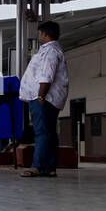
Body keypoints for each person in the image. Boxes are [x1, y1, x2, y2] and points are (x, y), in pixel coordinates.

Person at [18, 21, 69, 178]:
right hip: (47, 98)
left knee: (41, 132)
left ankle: (38, 166)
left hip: (44, 98)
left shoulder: (50, 51)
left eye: (40, 34)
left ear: (46, 34)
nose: (39, 37)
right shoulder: (50, 50)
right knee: (49, 133)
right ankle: (49, 167)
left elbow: (46, 75)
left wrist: (41, 95)